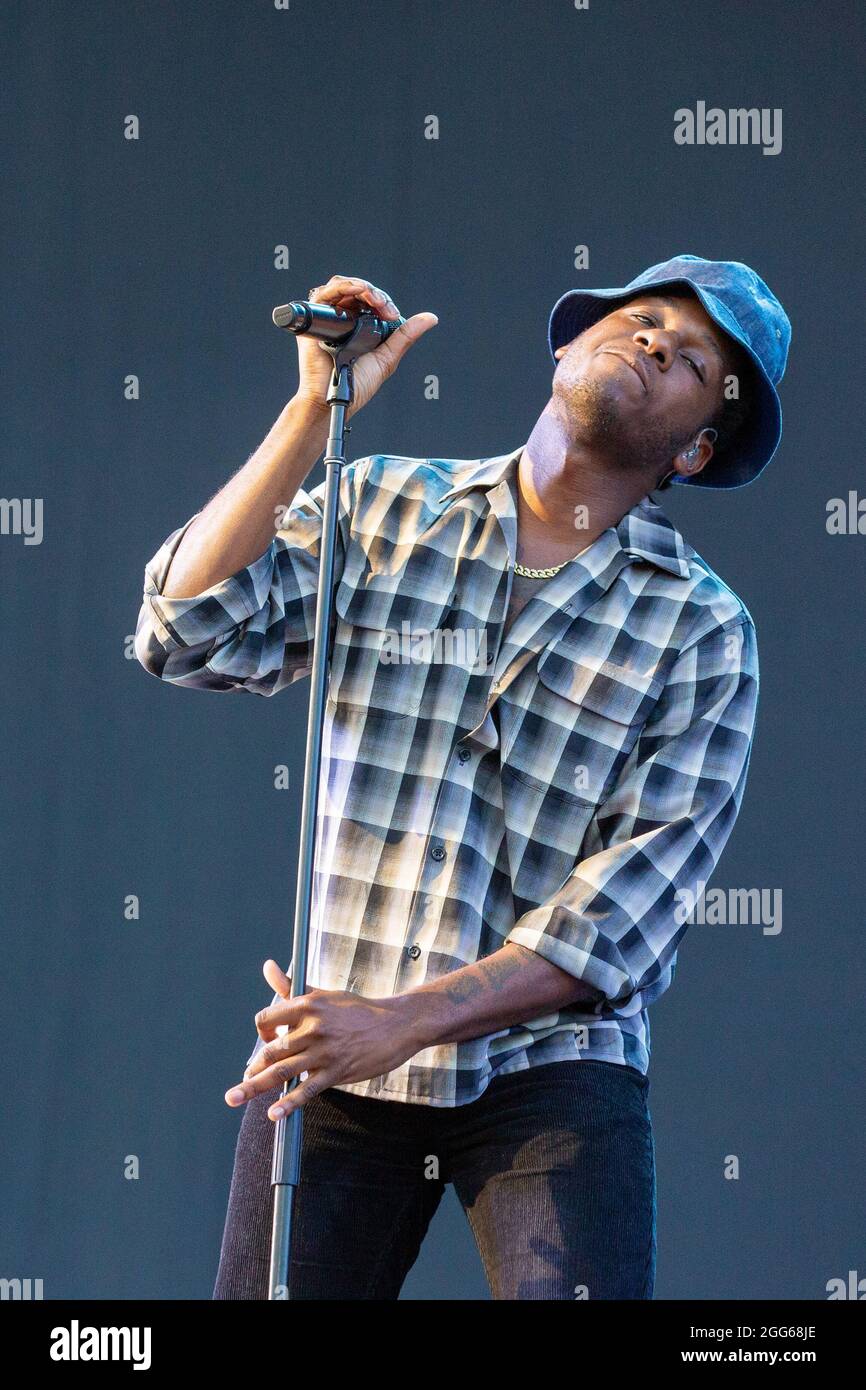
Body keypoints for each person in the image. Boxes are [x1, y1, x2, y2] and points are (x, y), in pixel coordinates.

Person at [133, 254, 790, 1300]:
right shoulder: (385, 505)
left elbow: (621, 917)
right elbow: (183, 629)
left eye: (696, 359)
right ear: (566, 346)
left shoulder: (702, 630)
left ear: (696, 445)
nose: (660, 339)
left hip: (547, 1066)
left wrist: (400, 1018)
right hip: (338, 1039)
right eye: (644, 317)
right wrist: (314, 409)